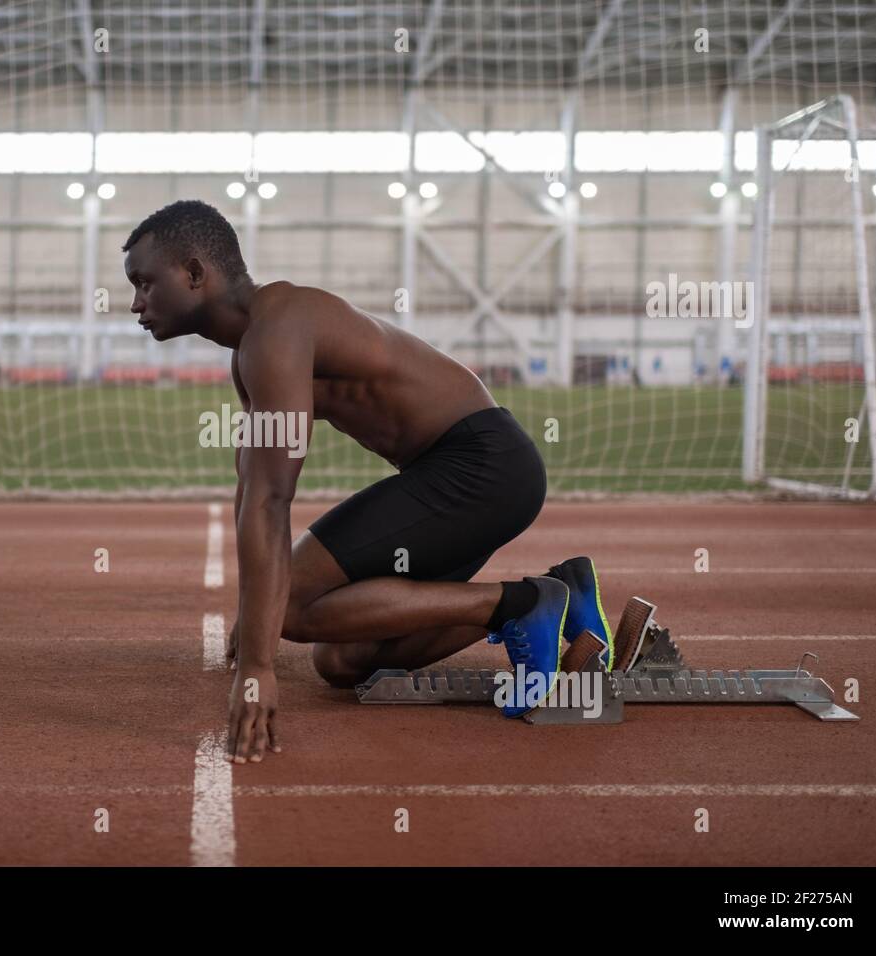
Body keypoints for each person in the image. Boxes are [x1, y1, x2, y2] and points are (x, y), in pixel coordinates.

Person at [122, 199, 612, 765]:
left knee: (290, 611)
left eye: (144, 283)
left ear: (194, 273)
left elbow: (272, 500)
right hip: (467, 472)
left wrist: (258, 666)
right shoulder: (254, 347)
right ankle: (554, 592)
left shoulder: (277, 331)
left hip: (481, 466)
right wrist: (251, 608)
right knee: (343, 662)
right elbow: (251, 484)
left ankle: (526, 603)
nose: (135, 303)